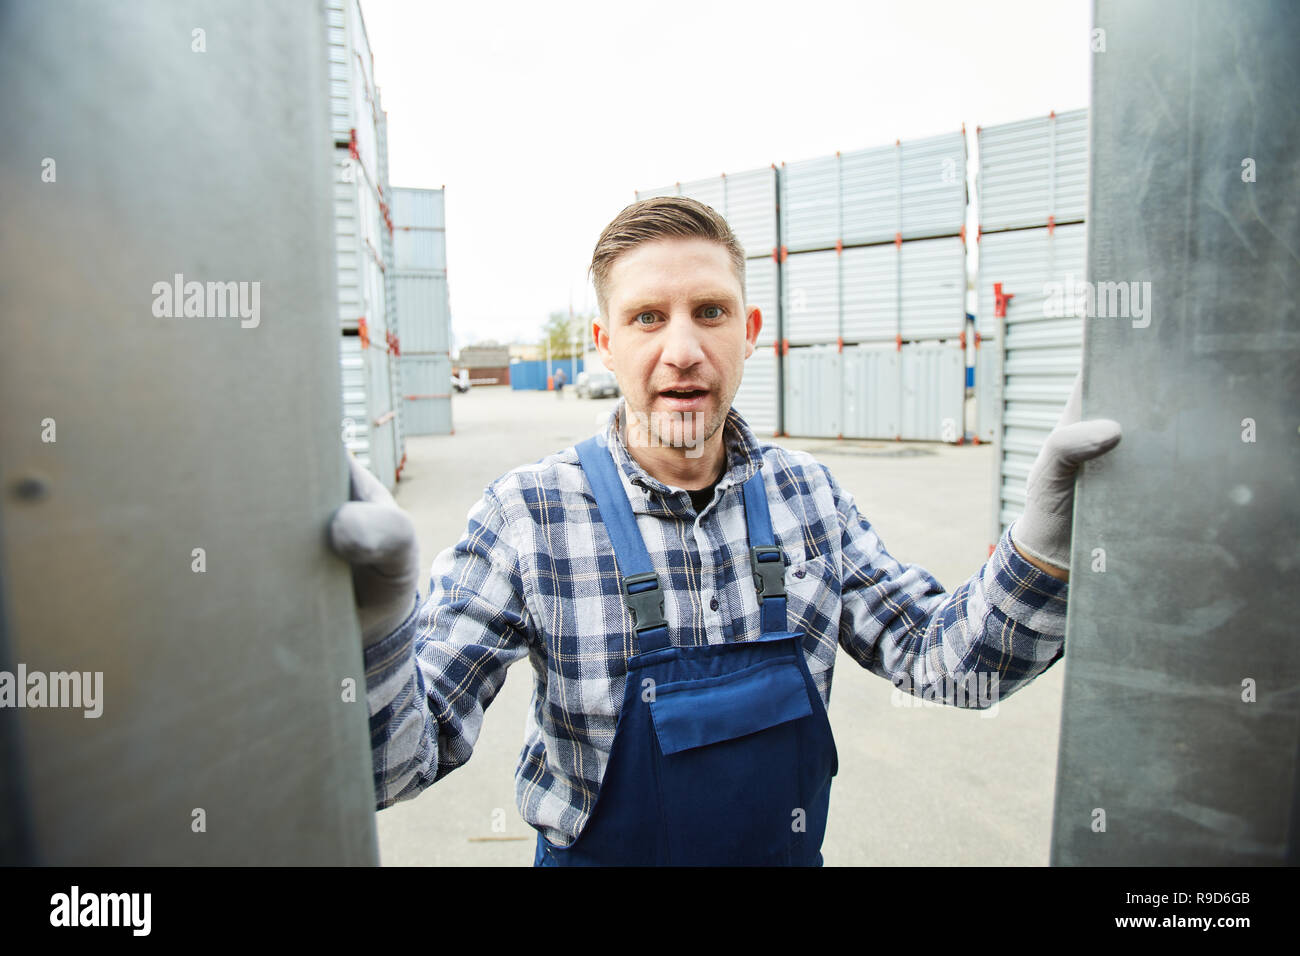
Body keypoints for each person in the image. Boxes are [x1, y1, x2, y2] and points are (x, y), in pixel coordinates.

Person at [328, 196, 1122, 866]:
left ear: (750, 330)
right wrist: (374, 636)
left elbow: (948, 665)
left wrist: (1042, 540)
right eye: (646, 318)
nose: (682, 351)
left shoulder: (807, 496)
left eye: (709, 312)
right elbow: (393, 767)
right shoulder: (527, 516)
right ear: (605, 343)